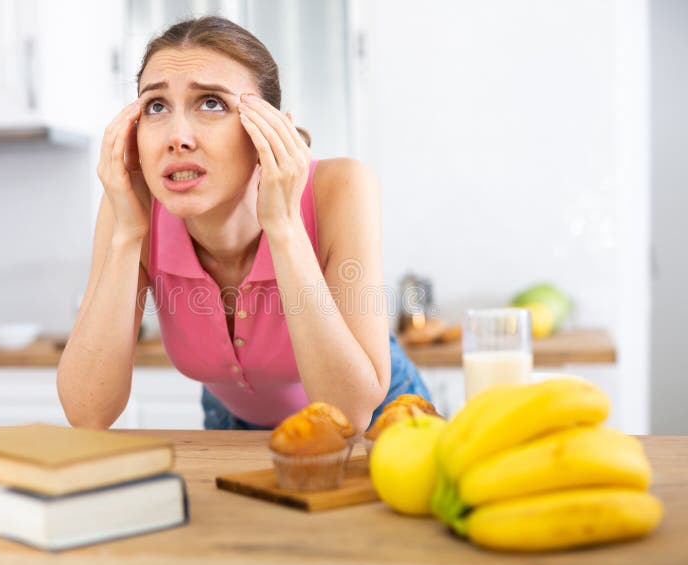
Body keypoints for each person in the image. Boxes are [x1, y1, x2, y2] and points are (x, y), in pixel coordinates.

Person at [56, 15, 431, 433]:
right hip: (233, 421)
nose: (177, 136)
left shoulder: (341, 188)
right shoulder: (130, 208)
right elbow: (87, 412)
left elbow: (350, 413)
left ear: (267, 131)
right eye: (156, 106)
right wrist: (127, 235)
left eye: (212, 102)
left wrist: (285, 227)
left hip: (382, 415)